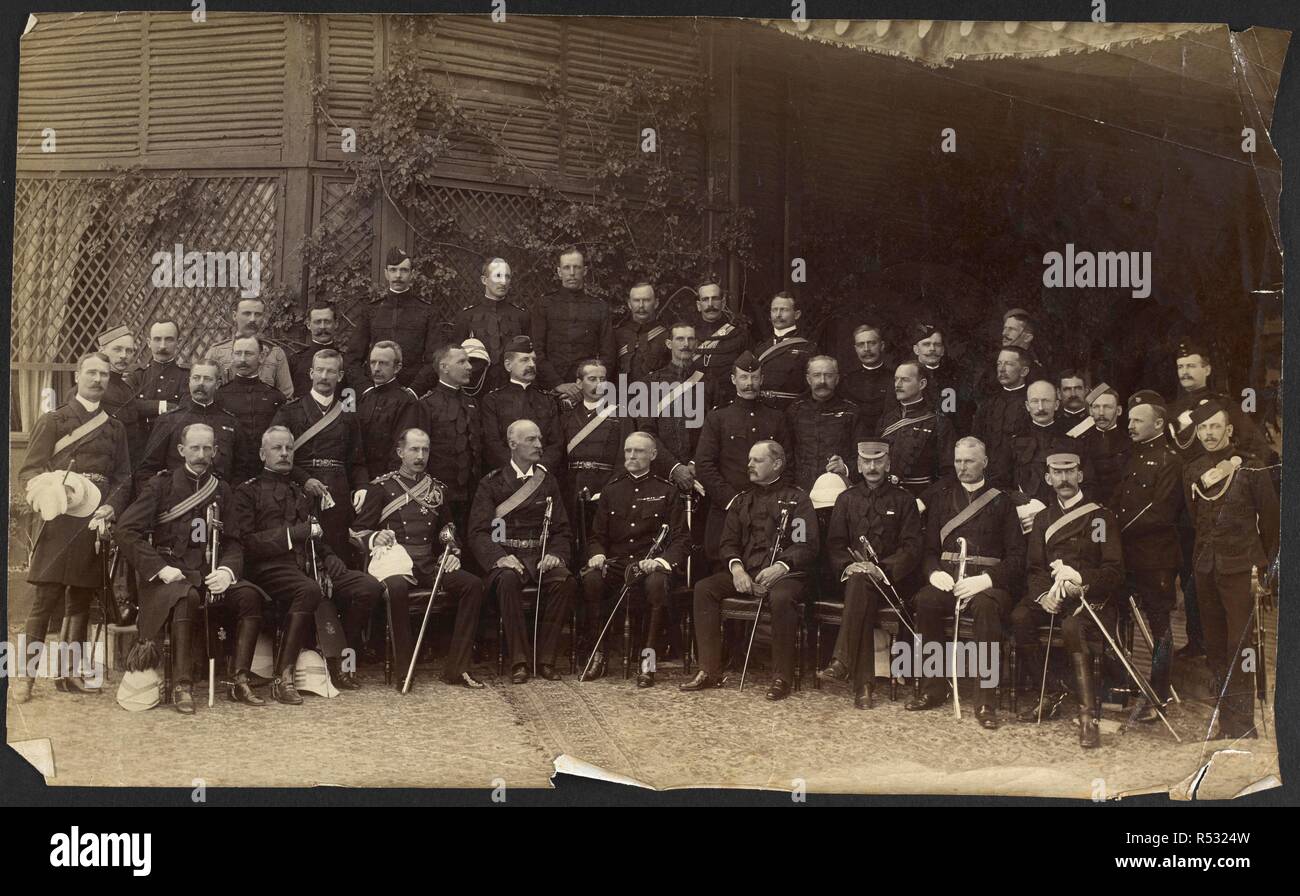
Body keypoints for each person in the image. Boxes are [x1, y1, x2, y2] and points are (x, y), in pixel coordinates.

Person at [115, 424, 266, 712]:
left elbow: (235, 541)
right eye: (194, 448)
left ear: (216, 452)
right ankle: (182, 685)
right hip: (170, 576)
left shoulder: (222, 489)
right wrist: (159, 568)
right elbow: (125, 530)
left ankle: (240, 679)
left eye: (207, 448)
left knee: (249, 596)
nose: (201, 454)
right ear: (181, 450)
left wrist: (227, 571)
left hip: (209, 573)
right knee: (187, 598)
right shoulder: (161, 485)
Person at [13, 353, 132, 703]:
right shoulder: (54, 420)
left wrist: (112, 506)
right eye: (91, 373)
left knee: (80, 601)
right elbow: (29, 471)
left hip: (92, 517)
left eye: (104, 375)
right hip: (58, 515)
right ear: (77, 376)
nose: (98, 380)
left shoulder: (115, 427)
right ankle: (25, 677)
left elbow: (124, 476)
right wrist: (49, 493)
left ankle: (69, 674)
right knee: (44, 601)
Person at [235, 427, 384, 700]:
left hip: (311, 565)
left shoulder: (301, 493)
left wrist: (329, 557)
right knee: (309, 590)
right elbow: (248, 544)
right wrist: (293, 535)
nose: (283, 454)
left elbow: (316, 533)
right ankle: (283, 678)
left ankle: (340, 663)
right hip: (270, 570)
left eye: (289, 449)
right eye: (277, 448)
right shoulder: (248, 493)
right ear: (262, 454)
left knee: (367, 586)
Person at [681, 440, 818, 701]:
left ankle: (782, 676)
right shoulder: (743, 500)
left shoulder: (796, 499)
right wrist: (737, 570)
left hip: (786, 576)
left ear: (777, 464)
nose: (750, 465)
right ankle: (709, 669)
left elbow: (805, 545)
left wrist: (781, 566)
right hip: (746, 573)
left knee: (781, 597)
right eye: (749, 460)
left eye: (757, 460)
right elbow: (728, 543)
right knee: (704, 588)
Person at [904, 437, 1025, 729]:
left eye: (969, 461)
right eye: (958, 461)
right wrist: (934, 573)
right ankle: (935, 687)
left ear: (985, 462)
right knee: (926, 601)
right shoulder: (942, 497)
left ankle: (985, 699)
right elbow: (930, 549)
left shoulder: (1002, 501)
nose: (962, 467)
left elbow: (1017, 557)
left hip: (989, 586)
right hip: (950, 581)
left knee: (986, 609)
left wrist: (987, 580)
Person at [353, 428, 486, 691]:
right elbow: (357, 531)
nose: (420, 455)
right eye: (414, 449)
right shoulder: (381, 488)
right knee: (397, 588)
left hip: (427, 563)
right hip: (395, 564)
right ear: (400, 452)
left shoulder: (436, 489)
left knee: (472, 585)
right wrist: (373, 539)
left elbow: (447, 530)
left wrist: (452, 552)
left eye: (425, 450)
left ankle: (457, 668)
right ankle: (405, 669)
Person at [1011, 454, 1124, 748]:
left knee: (1074, 627)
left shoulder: (1098, 518)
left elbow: (1112, 569)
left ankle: (1088, 717)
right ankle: (1049, 693)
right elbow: (1034, 567)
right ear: (1048, 478)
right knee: (1021, 618)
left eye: (1069, 472)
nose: (1063, 479)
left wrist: (1080, 581)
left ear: (1080, 475)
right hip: (1052, 595)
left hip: (1089, 598)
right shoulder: (1043, 519)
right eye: (1056, 473)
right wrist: (1043, 596)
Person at [1183, 401, 1278, 739]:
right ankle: (1227, 723)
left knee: (1241, 647)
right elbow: (1196, 522)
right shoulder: (1192, 471)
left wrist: (1268, 573)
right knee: (1216, 645)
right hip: (1206, 569)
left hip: (1241, 570)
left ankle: (1243, 724)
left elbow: (1271, 523)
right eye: (1203, 428)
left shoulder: (1251, 469)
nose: (1209, 433)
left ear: (1229, 431)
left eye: (1215, 427)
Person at [467, 419, 578, 683]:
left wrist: (556, 555)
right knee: (506, 581)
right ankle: (519, 660)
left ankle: (547, 659)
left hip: (540, 558)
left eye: (540, 439)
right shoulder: (492, 484)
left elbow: (562, 529)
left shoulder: (548, 482)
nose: (539, 445)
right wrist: (499, 558)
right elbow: (478, 531)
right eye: (531, 440)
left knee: (566, 581)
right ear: (512, 444)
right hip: (508, 557)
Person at [817, 438, 922, 709]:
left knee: (861, 587)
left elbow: (912, 548)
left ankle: (847, 667)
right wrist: (848, 566)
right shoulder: (846, 499)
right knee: (859, 584)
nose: (872, 466)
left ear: (888, 463)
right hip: (853, 578)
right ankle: (861, 684)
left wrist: (881, 569)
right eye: (866, 461)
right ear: (859, 465)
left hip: (891, 581)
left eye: (878, 461)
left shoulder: (904, 500)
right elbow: (835, 545)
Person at [579, 432, 690, 686]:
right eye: (628, 451)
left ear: (653, 455)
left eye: (638, 451)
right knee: (592, 580)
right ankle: (599, 653)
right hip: (618, 564)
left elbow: (681, 539)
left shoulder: (667, 491)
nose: (631, 456)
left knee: (656, 584)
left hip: (650, 565)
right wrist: (597, 554)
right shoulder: (611, 490)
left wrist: (661, 562)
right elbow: (597, 536)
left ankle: (647, 661)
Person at [1112, 390, 1183, 719]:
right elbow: (1118, 501)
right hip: (1127, 555)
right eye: (1129, 421)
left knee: (1160, 626)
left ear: (1158, 423)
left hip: (1156, 557)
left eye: (1138, 420)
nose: (1131, 426)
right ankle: (1121, 684)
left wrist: (1117, 530)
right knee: (1119, 618)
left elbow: (1161, 512)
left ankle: (1158, 697)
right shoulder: (1131, 456)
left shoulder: (1171, 461)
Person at [272, 349, 369, 560]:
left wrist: (362, 486)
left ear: (340, 376)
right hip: (298, 491)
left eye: (331, 372)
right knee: (304, 552)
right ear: (310, 373)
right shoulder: (289, 412)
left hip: (337, 492)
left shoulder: (348, 415)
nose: (324, 377)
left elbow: (357, 460)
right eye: (320, 370)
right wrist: (304, 479)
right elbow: (275, 457)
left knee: (337, 551)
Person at [692, 351, 790, 558]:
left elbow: (786, 462)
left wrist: (774, 499)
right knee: (722, 564)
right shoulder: (718, 417)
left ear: (762, 379)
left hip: (769, 508)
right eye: (744, 377)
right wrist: (731, 499)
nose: (749, 383)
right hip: (727, 508)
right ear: (733, 379)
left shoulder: (776, 417)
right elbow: (704, 464)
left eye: (754, 377)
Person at [398, 343, 483, 531]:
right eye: (462, 361)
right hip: (436, 497)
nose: (469, 367)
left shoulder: (473, 404)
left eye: (468, 361)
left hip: (471, 496)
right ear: (444, 367)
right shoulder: (425, 405)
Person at [136, 360, 241, 490]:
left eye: (207, 379)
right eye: (196, 378)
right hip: (176, 502)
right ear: (189, 381)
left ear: (218, 384)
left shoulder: (231, 423)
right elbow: (147, 470)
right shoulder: (168, 420)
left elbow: (241, 471)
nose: (201, 383)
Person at [347, 247, 441, 388]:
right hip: (375, 389)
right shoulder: (371, 311)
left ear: (412, 274)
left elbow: (434, 359)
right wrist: (365, 390)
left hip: (411, 392)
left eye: (404, 270)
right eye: (393, 270)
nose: (398, 275)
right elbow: (352, 359)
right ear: (386, 273)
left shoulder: (427, 312)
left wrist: (414, 391)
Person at [532, 247, 616, 399]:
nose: (572, 272)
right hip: (550, 388)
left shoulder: (599, 307)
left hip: (588, 390)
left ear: (584, 271)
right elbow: (537, 350)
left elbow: (608, 354)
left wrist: (586, 385)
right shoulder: (544, 305)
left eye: (576, 267)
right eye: (566, 267)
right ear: (559, 272)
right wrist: (557, 384)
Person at [559, 359, 634, 530]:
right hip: (571, 489)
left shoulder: (621, 415)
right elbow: (560, 459)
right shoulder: (566, 418)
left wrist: (608, 491)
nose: (599, 385)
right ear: (579, 382)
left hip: (606, 487)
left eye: (603, 379)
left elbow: (625, 460)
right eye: (592, 379)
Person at [871, 360, 955, 501]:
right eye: (896, 379)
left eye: (904, 380)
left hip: (920, 499)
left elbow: (949, 474)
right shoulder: (885, 420)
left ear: (922, 384)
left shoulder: (939, 423)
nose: (897, 385)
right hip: (884, 497)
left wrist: (924, 501)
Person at [480, 336, 563, 474]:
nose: (531, 364)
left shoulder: (547, 400)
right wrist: (517, 469)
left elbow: (556, 443)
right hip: (506, 475)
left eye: (533, 360)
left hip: (542, 474)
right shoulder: (493, 400)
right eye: (524, 360)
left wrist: (541, 468)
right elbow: (492, 443)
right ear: (508, 365)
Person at [643, 322, 710, 492]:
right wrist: (674, 467)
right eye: (680, 339)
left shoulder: (708, 382)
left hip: (700, 473)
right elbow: (646, 433)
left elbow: (713, 431)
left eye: (690, 339)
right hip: (662, 472)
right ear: (668, 344)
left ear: (696, 344)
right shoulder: (650, 383)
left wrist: (695, 463)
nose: (686, 344)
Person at [449, 257, 531, 395]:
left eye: (507, 276)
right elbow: (455, 358)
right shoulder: (466, 316)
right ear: (484, 280)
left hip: (512, 391)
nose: (503, 281)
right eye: (497, 276)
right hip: (477, 390)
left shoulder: (521, 316)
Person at [215, 336, 287, 482]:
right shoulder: (219, 396)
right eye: (238, 353)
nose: (242, 359)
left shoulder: (275, 397)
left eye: (248, 354)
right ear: (232, 356)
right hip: (230, 475)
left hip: (266, 474)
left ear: (261, 357)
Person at [785, 356, 859, 492]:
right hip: (800, 489)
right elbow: (786, 454)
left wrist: (846, 468)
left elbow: (862, 456)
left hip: (838, 488)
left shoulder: (851, 412)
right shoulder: (795, 410)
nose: (822, 381)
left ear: (837, 379)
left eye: (828, 376)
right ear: (808, 379)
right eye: (817, 375)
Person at [205, 297, 294, 398]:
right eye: (247, 313)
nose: (252, 319)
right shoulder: (216, 353)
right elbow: (206, 393)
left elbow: (286, 395)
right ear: (234, 316)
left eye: (258, 314)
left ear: (263, 318)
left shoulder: (275, 353)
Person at [971, 346, 1031, 489]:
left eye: (1009, 364)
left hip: (1022, 482)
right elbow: (976, 441)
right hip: (987, 481)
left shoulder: (1032, 403)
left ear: (1024, 371)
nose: (1002, 369)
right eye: (999, 363)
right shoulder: (987, 403)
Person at [355, 341, 419, 476]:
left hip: (388, 479)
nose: (376, 368)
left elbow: (402, 449)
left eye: (383, 363)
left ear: (397, 368)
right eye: (373, 362)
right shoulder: (366, 398)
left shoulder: (406, 401)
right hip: (361, 478)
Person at [689, 279, 751, 409]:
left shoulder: (740, 335)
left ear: (723, 303)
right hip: (694, 404)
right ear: (698, 305)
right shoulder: (687, 336)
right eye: (705, 299)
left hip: (728, 404)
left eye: (715, 298)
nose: (710, 304)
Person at [753, 292, 815, 410]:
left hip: (792, 411)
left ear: (797, 314)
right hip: (763, 410)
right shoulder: (760, 349)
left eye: (784, 310)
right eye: (774, 310)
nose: (778, 314)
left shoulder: (808, 348)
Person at [128, 319, 189, 436]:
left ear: (178, 342)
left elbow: (186, 409)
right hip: (140, 441)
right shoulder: (137, 376)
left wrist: (145, 406)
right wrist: (164, 406)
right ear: (149, 343)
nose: (162, 346)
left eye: (169, 339)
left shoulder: (187, 376)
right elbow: (129, 405)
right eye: (157, 339)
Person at [96, 325, 147, 464]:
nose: (124, 355)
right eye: (117, 349)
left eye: (129, 351)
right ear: (102, 351)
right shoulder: (94, 388)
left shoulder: (127, 388)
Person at [1073, 383, 1131, 501]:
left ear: (1119, 410)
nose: (1101, 413)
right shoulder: (1080, 443)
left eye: (1107, 407)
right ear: (1090, 410)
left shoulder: (1130, 443)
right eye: (1096, 407)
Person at [290, 305, 358, 398]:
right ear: (308, 325)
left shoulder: (347, 361)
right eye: (318, 322)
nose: (322, 327)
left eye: (327, 321)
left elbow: (350, 404)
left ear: (336, 324)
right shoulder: (295, 361)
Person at [840, 323, 892, 435]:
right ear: (855, 349)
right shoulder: (847, 382)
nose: (867, 349)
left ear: (882, 346)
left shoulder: (895, 379)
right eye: (861, 345)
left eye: (872, 343)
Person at [615, 281, 670, 385]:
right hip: (621, 397)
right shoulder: (616, 335)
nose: (641, 305)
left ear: (656, 303)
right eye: (636, 300)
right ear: (629, 304)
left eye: (646, 300)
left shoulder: (667, 336)